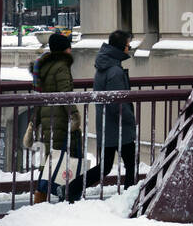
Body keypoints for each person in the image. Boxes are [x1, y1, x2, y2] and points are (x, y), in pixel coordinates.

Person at [68, 30, 136, 202]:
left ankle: (71, 189)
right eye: (128, 45)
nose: (130, 48)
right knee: (129, 165)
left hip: (107, 125)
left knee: (104, 167)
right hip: (119, 126)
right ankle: (130, 198)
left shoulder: (105, 65)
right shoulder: (115, 71)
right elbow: (116, 103)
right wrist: (130, 119)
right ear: (121, 47)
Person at [31, 32, 80, 204]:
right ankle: (52, 196)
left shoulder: (44, 66)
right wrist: (74, 114)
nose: (70, 49)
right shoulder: (61, 67)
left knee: (53, 156)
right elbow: (65, 94)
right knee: (62, 156)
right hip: (59, 117)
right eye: (68, 46)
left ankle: (45, 196)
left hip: (47, 116)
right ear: (64, 49)